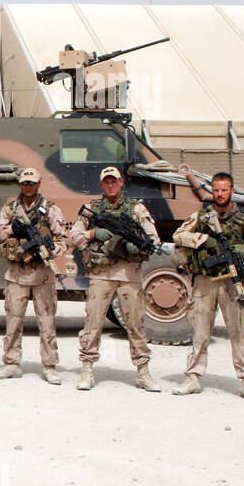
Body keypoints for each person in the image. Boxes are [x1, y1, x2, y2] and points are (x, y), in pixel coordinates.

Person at [170, 171, 244, 402]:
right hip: (205, 282)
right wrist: (203, 240)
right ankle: (193, 377)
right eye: (217, 190)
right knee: (200, 333)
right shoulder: (201, 217)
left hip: (232, 284)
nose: (220, 194)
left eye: (224, 190)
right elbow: (178, 236)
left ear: (232, 191)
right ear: (212, 192)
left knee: (239, 334)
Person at [68, 166, 161, 391]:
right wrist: (93, 233)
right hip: (100, 274)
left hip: (128, 274)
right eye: (106, 182)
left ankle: (143, 371)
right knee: (93, 323)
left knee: (135, 323)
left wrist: (133, 247)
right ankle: (87, 369)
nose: (110, 185)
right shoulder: (92, 209)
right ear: (101, 185)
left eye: (114, 181)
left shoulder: (136, 209)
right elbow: (73, 236)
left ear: (121, 183)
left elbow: (153, 240)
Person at [0, 168, 67, 385]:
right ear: (20, 184)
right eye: (25, 183)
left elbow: (63, 239)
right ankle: (11, 363)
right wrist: (13, 229)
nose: (28, 187)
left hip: (42, 274)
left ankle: (50, 365)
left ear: (39, 184)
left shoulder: (51, 209)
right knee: (13, 321)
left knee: (47, 322)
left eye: (32, 183)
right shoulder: (10, 208)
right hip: (16, 274)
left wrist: (51, 252)